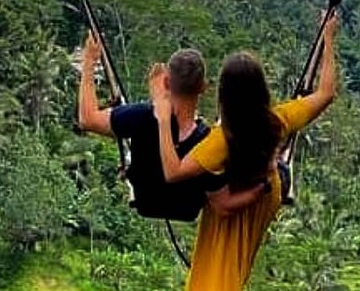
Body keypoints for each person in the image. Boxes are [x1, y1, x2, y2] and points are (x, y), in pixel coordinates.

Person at [148, 11, 340, 291]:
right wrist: (329, 39)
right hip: (265, 194)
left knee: (212, 282)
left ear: (224, 97)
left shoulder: (221, 139)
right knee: (228, 278)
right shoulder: (278, 119)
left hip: (235, 204)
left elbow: (172, 172)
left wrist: (162, 115)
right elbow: (325, 93)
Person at [78, 31, 266, 219]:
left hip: (147, 203)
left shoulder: (143, 116)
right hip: (185, 210)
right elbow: (223, 204)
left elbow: (87, 119)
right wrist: (260, 189)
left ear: (167, 82)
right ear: (203, 87)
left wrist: (89, 63)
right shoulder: (208, 141)